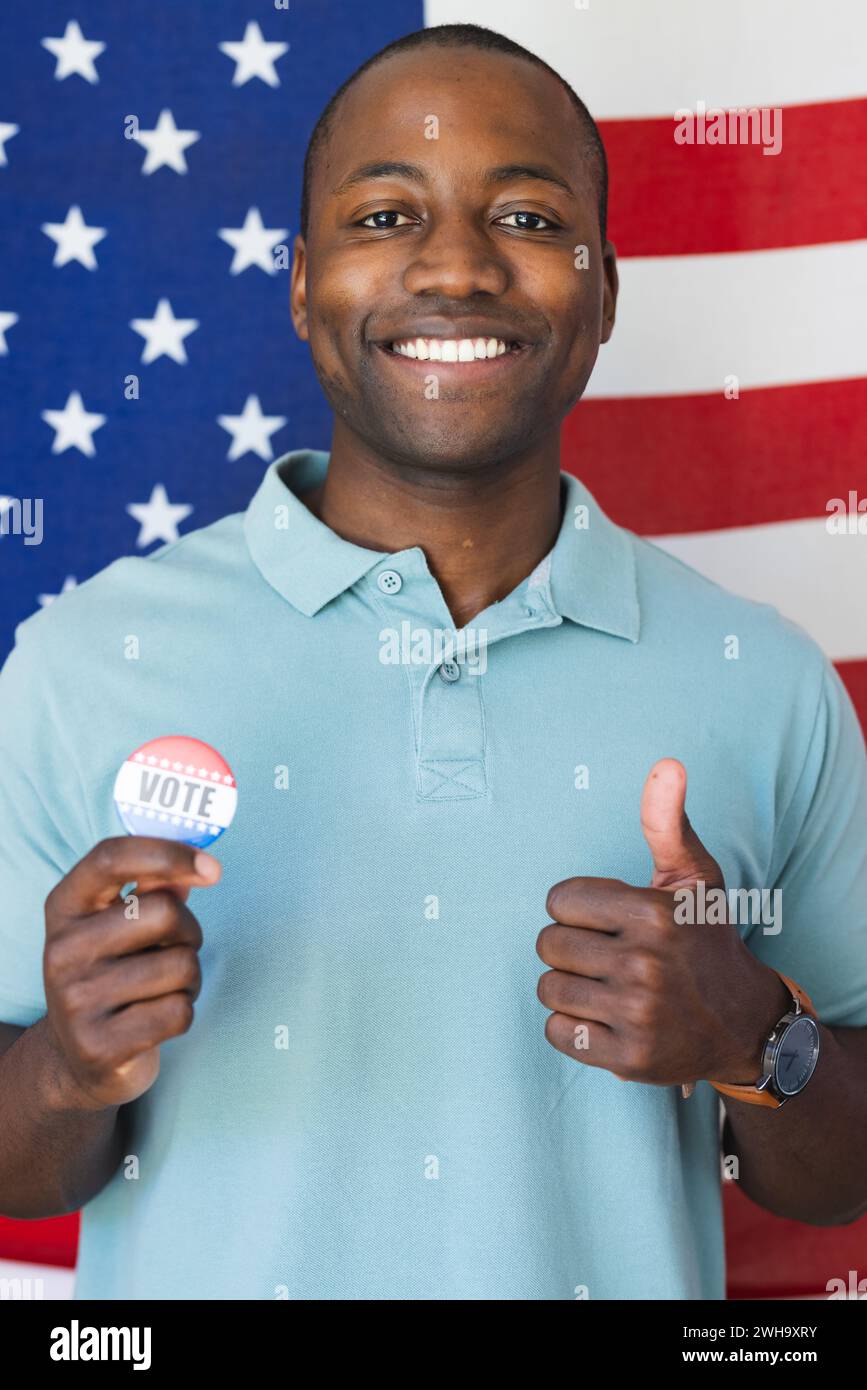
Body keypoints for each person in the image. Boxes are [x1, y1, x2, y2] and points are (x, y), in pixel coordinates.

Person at [1, 23, 866, 1302]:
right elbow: (28, 1165)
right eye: (386, 215)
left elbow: (838, 1175)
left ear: (605, 288)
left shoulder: (766, 678)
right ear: (303, 285)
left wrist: (755, 1033)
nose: (456, 268)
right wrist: (68, 1068)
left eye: (523, 215)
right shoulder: (81, 664)